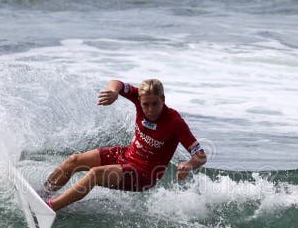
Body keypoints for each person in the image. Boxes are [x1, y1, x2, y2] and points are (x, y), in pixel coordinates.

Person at [43, 78, 207, 211]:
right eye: (145, 105)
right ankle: (43, 195)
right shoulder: (138, 97)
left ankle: (50, 208)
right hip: (125, 155)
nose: (150, 109)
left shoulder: (175, 123)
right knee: (74, 160)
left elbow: (200, 156)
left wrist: (189, 165)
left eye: (155, 104)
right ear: (140, 101)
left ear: (163, 99)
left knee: (95, 174)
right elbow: (118, 84)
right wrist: (114, 92)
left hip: (143, 175)